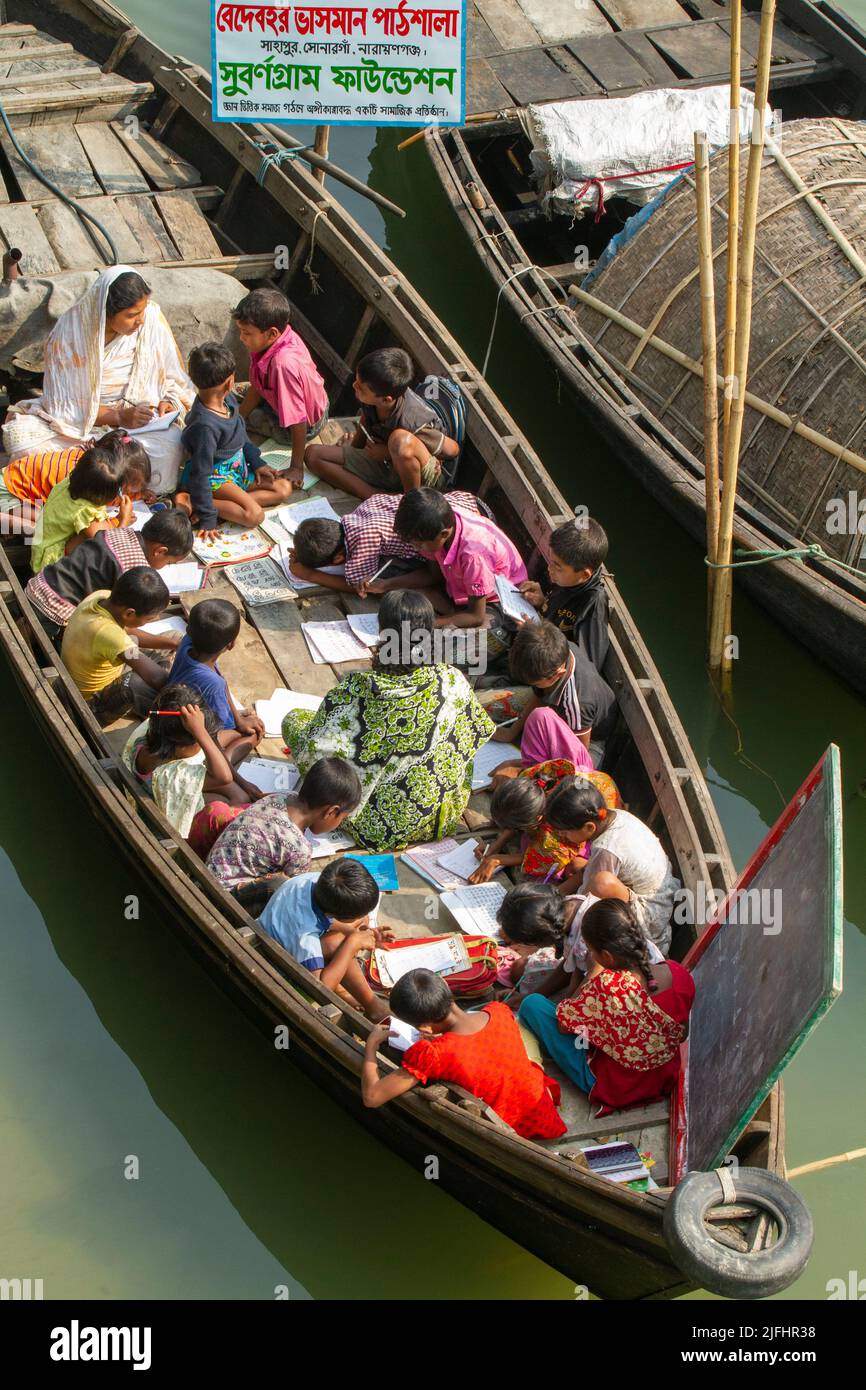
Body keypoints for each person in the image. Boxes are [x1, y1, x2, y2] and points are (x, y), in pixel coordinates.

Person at [282, 590, 495, 851]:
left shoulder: (358, 688)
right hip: (442, 814)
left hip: (376, 823)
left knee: (294, 720)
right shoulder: (452, 679)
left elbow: (314, 750)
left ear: (382, 630)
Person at [2, 267, 194, 500]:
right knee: (21, 441)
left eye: (142, 311)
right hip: (78, 427)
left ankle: (100, 484)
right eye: (132, 315)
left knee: (171, 444)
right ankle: (111, 488)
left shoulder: (152, 319)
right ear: (106, 312)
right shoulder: (70, 332)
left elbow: (173, 379)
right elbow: (64, 406)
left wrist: (168, 401)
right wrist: (119, 417)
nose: (140, 320)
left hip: (138, 426)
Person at [518, 899, 694, 1114]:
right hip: (662, 1077)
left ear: (607, 957)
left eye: (592, 951)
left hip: (615, 1088)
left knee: (532, 1004)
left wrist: (591, 974)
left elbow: (565, 1026)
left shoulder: (605, 987)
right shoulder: (679, 974)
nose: (591, 956)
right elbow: (683, 1034)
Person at [361, 968, 566, 1139]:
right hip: (543, 1112)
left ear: (425, 1028)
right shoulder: (499, 1011)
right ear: (447, 990)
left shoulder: (435, 1054)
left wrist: (371, 1047)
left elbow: (372, 1097)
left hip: (513, 1130)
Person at [544, 777, 680, 954]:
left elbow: (584, 900)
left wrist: (550, 917)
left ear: (589, 827)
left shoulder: (606, 849)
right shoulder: (617, 815)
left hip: (649, 919)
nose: (562, 837)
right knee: (581, 867)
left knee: (599, 884)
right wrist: (557, 894)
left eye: (564, 832)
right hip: (661, 894)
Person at [305, 348, 458, 499]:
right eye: (356, 381)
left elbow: (453, 450)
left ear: (386, 400)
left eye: (360, 387)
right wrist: (355, 448)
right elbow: (366, 419)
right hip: (384, 464)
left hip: (418, 478)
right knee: (313, 455)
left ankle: (410, 501)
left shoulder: (414, 420)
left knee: (400, 440)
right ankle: (372, 494)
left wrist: (388, 452)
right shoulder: (371, 399)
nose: (354, 386)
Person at [25, 509, 193, 645]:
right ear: (160, 551)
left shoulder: (120, 533)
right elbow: (122, 627)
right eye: (169, 562)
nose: (167, 566)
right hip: (53, 613)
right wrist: (167, 642)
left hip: (38, 585)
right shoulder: (133, 571)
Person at [175, 342, 293, 534]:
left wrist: (256, 462)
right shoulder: (205, 426)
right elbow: (200, 474)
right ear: (230, 382)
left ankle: (227, 503)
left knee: (283, 488)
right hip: (216, 478)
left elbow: (240, 433)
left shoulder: (227, 401)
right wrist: (208, 517)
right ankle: (197, 501)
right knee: (254, 515)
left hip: (238, 469)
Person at [122, 686, 263, 839]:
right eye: (200, 740)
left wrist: (201, 732)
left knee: (232, 752)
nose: (203, 740)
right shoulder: (175, 777)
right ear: (181, 747)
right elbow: (224, 777)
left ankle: (238, 736)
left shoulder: (150, 731)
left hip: (157, 783)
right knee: (239, 798)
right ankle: (229, 747)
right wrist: (200, 733)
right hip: (166, 798)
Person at [286, 488, 484, 597]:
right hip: (466, 503)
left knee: (386, 574)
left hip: (467, 530)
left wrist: (309, 574)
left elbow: (362, 587)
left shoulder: (364, 541)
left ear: (338, 557)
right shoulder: (361, 510)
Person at [258, 858, 390, 1021]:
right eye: (359, 916)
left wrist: (359, 932)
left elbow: (324, 919)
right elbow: (320, 989)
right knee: (341, 945)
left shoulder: (314, 881)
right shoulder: (304, 937)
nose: (364, 919)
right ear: (337, 915)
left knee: (344, 939)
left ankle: (368, 1003)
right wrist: (352, 943)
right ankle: (372, 1006)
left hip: (271, 937)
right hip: (279, 970)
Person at [207, 756, 362, 893]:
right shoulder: (299, 850)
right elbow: (294, 894)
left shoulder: (280, 797)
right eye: (342, 818)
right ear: (331, 812)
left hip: (207, 876)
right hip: (225, 899)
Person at [393, 487, 527, 633]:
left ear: (443, 534)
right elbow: (433, 575)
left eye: (419, 545)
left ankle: (450, 614)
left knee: (465, 638)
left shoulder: (474, 555)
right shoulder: (438, 525)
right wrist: (383, 585)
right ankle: (452, 610)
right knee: (399, 596)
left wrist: (430, 624)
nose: (417, 549)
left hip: (495, 602)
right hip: (459, 588)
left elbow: (476, 616)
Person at [470, 761, 621, 887]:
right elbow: (516, 818)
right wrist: (495, 845)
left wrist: (497, 859)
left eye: (518, 828)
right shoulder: (530, 781)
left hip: (599, 805)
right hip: (591, 784)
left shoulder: (561, 821)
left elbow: (550, 857)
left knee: (569, 864)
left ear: (538, 819)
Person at [233, 287, 329, 482]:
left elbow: (298, 419)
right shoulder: (278, 338)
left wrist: (296, 468)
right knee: (229, 401)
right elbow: (259, 384)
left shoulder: (283, 365)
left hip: (305, 426)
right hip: (311, 401)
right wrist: (239, 417)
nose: (242, 338)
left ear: (272, 333)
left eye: (246, 333)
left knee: (227, 410)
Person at [492, 620, 616, 764]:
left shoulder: (578, 703)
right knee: (493, 707)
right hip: (561, 711)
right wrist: (511, 733)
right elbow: (541, 694)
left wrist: (519, 765)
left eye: (537, 684)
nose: (535, 687)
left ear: (557, 675)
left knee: (563, 779)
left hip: (589, 743)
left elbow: (576, 758)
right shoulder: (557, 650)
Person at [61, 566, 172, 724]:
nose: (154, 619)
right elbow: (156, 677)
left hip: (94, 665)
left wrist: (173, 644)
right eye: (149, 619)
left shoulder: (102, 596)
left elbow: (127, 632)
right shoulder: (109, 635)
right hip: (91, 702)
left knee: (168, 644)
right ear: (129, 613)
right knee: (134, 684)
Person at [30, 432, 152, 573]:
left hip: (41, 548)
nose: (124, 497)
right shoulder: (85, 511)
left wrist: (117, 519)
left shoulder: (76, 481)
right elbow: (109, 545)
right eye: (122, 492)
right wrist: (123, 520)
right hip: (50, 567)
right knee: (98, 551)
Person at [518, 517, 610, 668]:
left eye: (557, 567)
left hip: (544, 671)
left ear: (585, 575)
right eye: (550, 561)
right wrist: (541, 602)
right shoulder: (568, 580)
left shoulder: (593, 604)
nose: (549, 569)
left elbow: (587, 666)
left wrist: (535, 633)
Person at [168, 598, 263, 739]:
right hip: (191, 731)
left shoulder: (187, 641)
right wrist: (239, 724)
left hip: (178, 703)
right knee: (252, 736)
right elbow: (222, 726)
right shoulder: (213, 684)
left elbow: (223, 684)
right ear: (231, 645)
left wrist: (238, 717)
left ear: (189, 629)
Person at [493, 882, 565, 993]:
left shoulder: (583, 940)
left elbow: (571, 972)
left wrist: (529, 997)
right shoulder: (560, 907)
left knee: (520, 968)